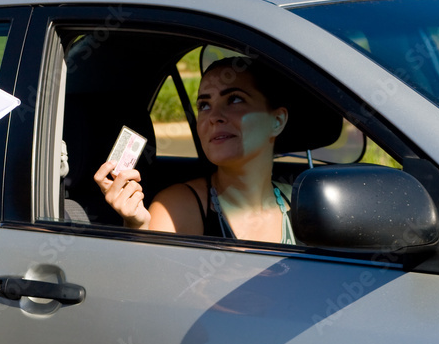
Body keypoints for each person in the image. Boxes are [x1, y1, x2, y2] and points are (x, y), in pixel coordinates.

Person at [94, 57, 295, 244]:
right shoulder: (177, 208)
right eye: (204, 105)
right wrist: (138, 227)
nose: (214, 116)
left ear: (277, 121)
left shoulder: (302, 201)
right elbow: (151, 276)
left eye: (234, 99)